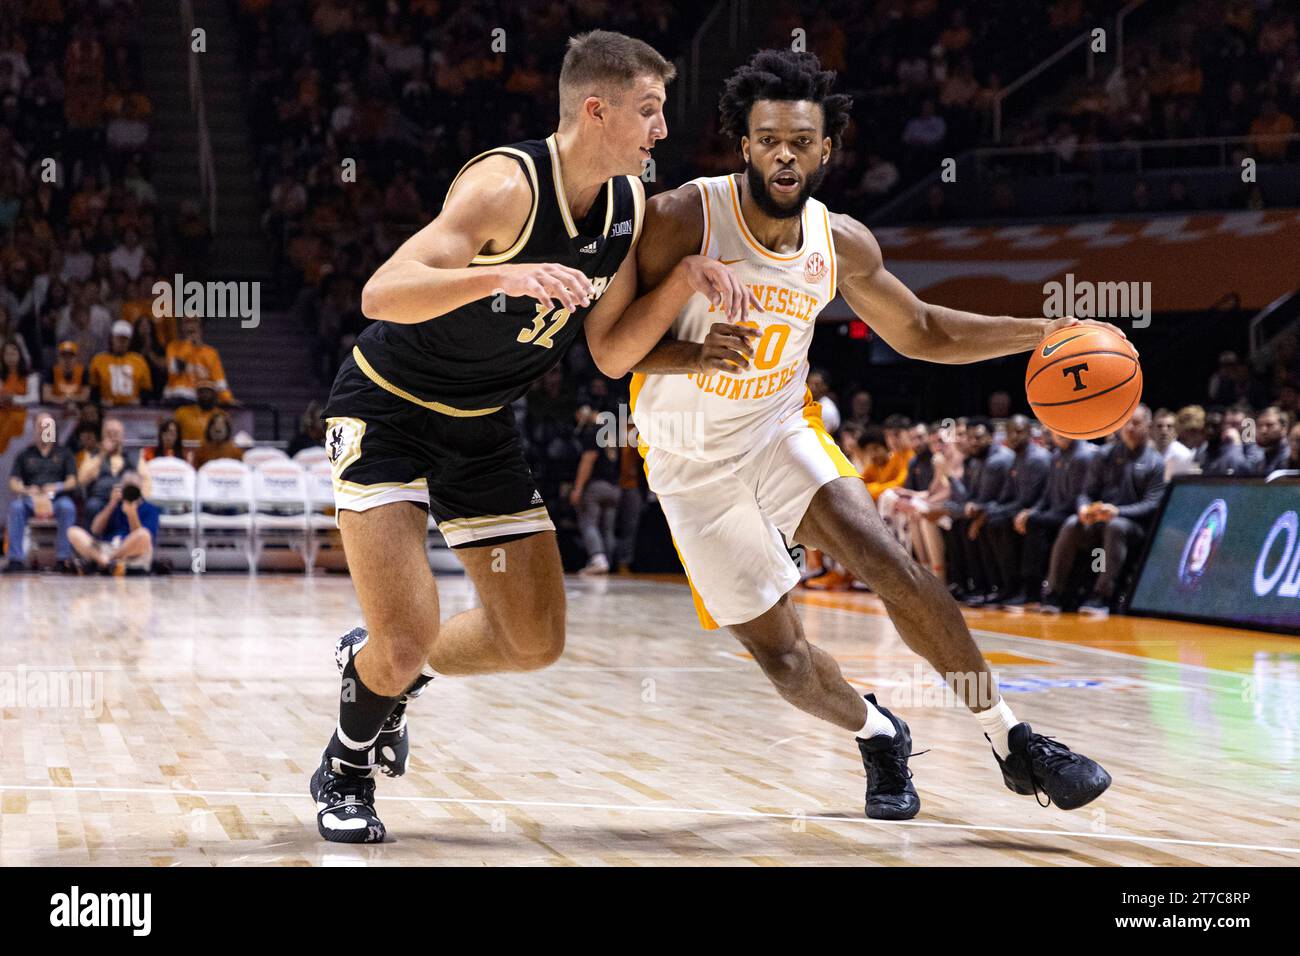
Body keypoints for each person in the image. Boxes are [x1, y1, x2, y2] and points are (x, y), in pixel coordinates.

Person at [630, 50, 1113, 822]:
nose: (784, 153)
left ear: (826, 150)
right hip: (685, 455)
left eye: (800, 140)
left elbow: (921, 329)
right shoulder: (684, 218)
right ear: (744, 146)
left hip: (778, 428)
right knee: (784, 660)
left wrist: (1044, 330)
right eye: (767, 139)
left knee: (889, 559)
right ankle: (878, 728)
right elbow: (613, 345)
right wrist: (690, 350)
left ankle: (1011, 741)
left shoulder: (841, 240)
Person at [310, 31, 744, 843]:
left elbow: (612, 350)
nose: (660, 130)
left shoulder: (628, 206)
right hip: (388, 410)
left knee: (533, 639)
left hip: (480, 429)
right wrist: (502, 274)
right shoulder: (504, 185)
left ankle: (376, 672)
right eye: (648, 112)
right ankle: (345, 764)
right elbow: (380, 292)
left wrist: (685, 309)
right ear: (597, 109)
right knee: (401, 641)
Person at [1043, 406, 1164, 616]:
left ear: (1148, 426)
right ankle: (1054, 593)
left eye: (1136, 423)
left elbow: (1152, 503)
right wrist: (1083, 508)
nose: (1130, 427)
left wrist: (1118, 511)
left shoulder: (1155, 461)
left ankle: (1101, 596)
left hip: (1134, 526)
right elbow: (1086, 493)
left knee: (1115, 527)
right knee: (1072, 523)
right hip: (1100, 520)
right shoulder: (1104, 454)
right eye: (1126, 422)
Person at [1000, 431, 1098, 610]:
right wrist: (1031, 512)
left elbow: (1077, 499)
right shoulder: (1056, 455)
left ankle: (1033, 592)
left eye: (1065, 428)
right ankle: (1012, 587)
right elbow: (1046, 495)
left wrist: (1036, 516)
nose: (1059, 434)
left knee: (1035, 523)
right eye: (1056, 430)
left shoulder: (1083, 456)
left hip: (1073, 515)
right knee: (1019, 521)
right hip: (1055, 514)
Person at [974, 415, 1051, 607]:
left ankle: (1024, 589)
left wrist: (991, 512)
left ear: (1029, 432)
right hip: (1018, 510)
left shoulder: (1037, 458)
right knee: (988, 521)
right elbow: (1006, 495)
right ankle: (1001, 585)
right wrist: (988, 511)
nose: (1014, 436)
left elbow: (1027, 500)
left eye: (1019, 431)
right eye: (1010, 432)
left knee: (997, 522)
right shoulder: (1017, 457)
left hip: (1036, 511)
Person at [4, 411, 78, 572]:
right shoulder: (25, 454)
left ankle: (63, 559)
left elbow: (72, 481)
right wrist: (26, 489)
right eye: (41, 426)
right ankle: (15, 559)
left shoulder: (64, 453)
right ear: (35, 428)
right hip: (31, 498)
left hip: (56, 498)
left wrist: (57, 487)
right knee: (16, 507)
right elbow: (13, 482)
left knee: (68, 507)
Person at [66, 468, 158, 574]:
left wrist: (132, 514)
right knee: (73, 531)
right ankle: (107, 563)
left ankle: (104, 562)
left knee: (143, 534)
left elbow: (144, 539)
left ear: (140, 489)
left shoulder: (150, 509)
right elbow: (95, 530)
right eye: (127, 487)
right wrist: (111, 504)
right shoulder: (113, 504)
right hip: (107, 547)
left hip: (131, 552)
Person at [570, 405, 622, 575]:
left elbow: (588, 460)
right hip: (614, 487)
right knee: (607, 528)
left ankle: (598, 559)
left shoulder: (593, 431)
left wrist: (578, 488)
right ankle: (608, 561)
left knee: (589, 523)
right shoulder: (613, 433)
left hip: (596, 486)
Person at [88, 319, 152, 406]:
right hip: (107, 409)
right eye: (118, 338)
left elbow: (146, 390)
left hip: (132, 411)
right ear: (112, 338)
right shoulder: (99, 360)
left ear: (129, 341)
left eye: (124, 339)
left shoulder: (138, 361)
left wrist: (139, 401)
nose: (121, 343)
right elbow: (94, 389)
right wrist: (100, 402)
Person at [42, 340, 90, 405]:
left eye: (71, 357)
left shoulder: (84, 371)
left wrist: (69, 398)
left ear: (76, 358)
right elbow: (46, 397)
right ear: (58, 358)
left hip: (77, 407)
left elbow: (85, 397)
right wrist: (60, 400)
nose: (67, 360)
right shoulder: (51, 371)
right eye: (64, 356)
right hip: (55, 407)